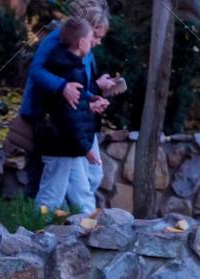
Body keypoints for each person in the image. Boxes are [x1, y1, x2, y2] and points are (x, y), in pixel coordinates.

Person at [16, 1, 121, 197]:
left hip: (73, 118)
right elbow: (37, 71)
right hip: (48, 118)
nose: (97, 42)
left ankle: (67, 218)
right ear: (86, 31)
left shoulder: (85, 50)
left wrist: (94, 93)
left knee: (81, 180)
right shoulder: (58, 40)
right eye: (96, 37)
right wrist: (62, 87)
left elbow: (79, 85)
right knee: (43, 180)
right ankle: (34, 223)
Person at [32, 18, 102, 214]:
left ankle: (89, 231)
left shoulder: (69, 68)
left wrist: (91, 100)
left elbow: (77, 109)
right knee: (51, 195)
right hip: (60, 145)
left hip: (68, 147)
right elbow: (70, 117)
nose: (93, 44)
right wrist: (86, 148)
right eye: (91, 39)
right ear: (81, 43)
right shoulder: (68, 71)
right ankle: (37, 234)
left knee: (82, 192)